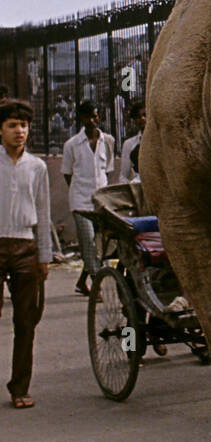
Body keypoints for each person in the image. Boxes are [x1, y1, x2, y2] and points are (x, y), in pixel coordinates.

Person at [0, 100, 52, 408]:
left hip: (25, 249)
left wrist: (44, 256)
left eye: (23, 126)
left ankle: (20, 388)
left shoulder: (38, 167)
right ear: (0, 130)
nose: (19, 131)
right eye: (12, 125)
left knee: (25, 322)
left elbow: (43, 214)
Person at [62, 100, 115, 296]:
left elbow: (107, 169)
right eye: (88, 117)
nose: (92, 121)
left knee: (100, 244)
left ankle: (81, 281)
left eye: (95, 116)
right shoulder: (72, 145)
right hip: (80, 202)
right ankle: (96, 284)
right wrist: (79, 191)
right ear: (81, 120)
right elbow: (67, 173)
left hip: (101, 202)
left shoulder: (108, 141)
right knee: (88, 241)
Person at [119, 100, 146, 183]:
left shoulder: (160, 141)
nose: (142, 118)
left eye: (145, 115)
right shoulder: (129, 144)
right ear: (134, 120)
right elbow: (123, 176)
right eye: (138, 117)